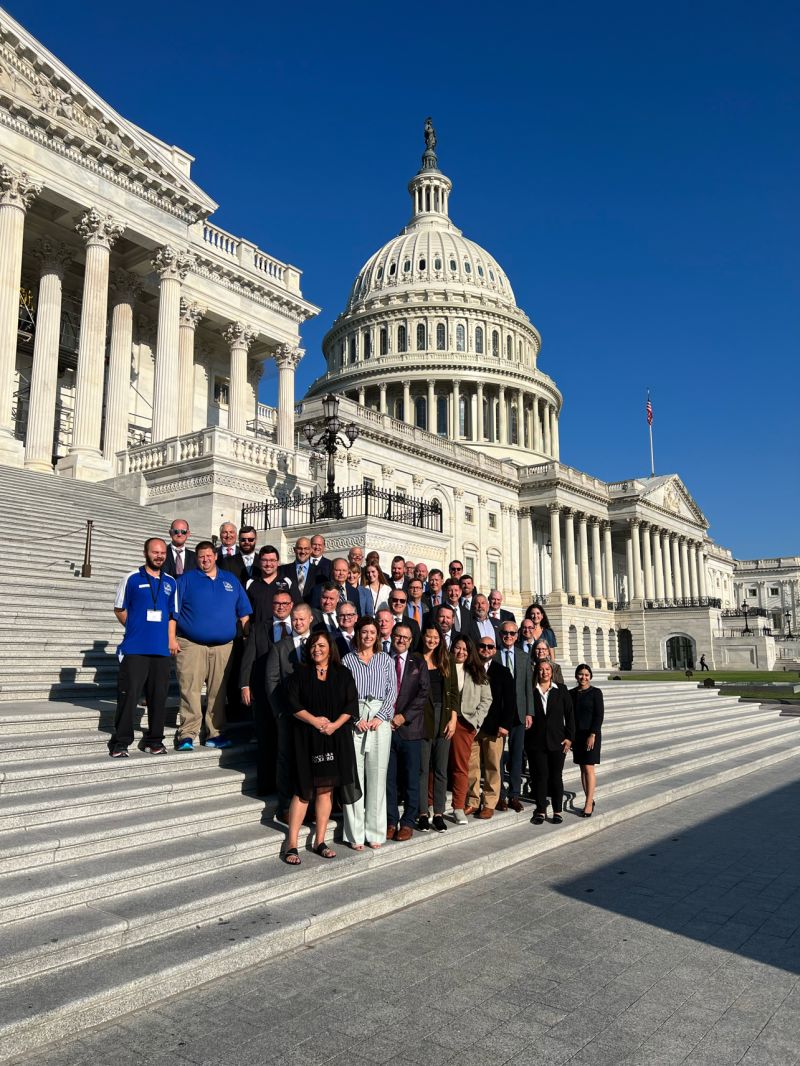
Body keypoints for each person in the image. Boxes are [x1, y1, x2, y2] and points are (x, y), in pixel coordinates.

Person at [281, 631, 361, 864]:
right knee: (303, 791)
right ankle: (292, 843)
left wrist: (335, 725)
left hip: (334, 737)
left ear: (330, 649)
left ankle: (320, 841)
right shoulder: (300, 674)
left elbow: (351, 703)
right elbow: (293, 704)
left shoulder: (343, 673)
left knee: (326, 790)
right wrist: (316, 721)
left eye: (322, 645)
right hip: (308, 737)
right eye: (314, 645)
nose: (317, 649)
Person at [169, 541, 251, 751]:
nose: (205, 560)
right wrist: (171, 639)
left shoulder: (230, 580)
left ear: (215, 556)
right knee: (190, 689)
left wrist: (247, 638)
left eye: (208, 556)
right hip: (191, 644)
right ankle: (187, 734)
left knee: (218, 691)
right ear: (197, 559)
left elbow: (244, 613)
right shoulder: (186, 580)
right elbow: (173, 613)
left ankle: (215, 732)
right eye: (201, 557)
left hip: (223, 647)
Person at [109, 537, 175, 757]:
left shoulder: (170, 582)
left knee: (158, 697)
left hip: (161, 651)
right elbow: (119, 609)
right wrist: (135, 625)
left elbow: (172, 616)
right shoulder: (131, 578)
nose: (159, 556)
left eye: (163, 553)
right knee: (129, 696)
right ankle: (121, 742)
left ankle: (154, 740)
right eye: (155, 552)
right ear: (146, 553)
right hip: (135, 648)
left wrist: (171, 640)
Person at [342, 616, 397, 849]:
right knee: (354, 778)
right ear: (358, 634)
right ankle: (354, 834)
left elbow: (392, 691)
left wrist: (379, 717)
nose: (368, 636)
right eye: (364, 632)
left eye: (372, 632)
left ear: (378, 636)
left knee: (377, 776)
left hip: (379, 719)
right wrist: (355, 718)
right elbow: (343, 692)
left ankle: (375, 832)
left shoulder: (385, 659)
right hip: (355, 718)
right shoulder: (347, 660)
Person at [240, 589, 294, 795]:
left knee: (287, 742)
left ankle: (285, 787)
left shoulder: (297, 627)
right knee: (266, 739)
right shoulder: (259, 628)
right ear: (272, 606)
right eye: (277, 603)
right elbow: (249, 658)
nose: (281, 607)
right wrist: (245, 684)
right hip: (263, 694)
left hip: (290, 695)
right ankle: (266, 785)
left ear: (291, 605)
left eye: (285, 603)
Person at [266, 602, 316, 820]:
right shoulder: (280, 647)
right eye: (295, 619)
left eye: (302, 619)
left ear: (311, 619)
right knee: (287, 759)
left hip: (315, 716)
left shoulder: (320, 644)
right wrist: (279, 712)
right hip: (288, 715)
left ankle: (312, 806)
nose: (298, 623)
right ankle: (285, 806)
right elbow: (271, 682)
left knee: (313, 760)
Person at [386, 622, 430, 840]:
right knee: (389, 779)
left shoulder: (418, 661)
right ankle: (391, 820)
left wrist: (404, 717)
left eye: (406, 637)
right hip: (386, 729)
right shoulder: (384, 659)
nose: (401, 640)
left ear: (411, 641)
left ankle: (408, 822)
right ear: (392, 637)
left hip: (410, 730)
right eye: (398, 636)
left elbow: (423, 693)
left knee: (411, 779)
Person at [417, 624, 458, 832]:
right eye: (429, 636)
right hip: (422, 717)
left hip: (444, 717)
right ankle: (423, 813)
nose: (432, 640)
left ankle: (439, 813)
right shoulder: (415, 658)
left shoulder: (447, 658)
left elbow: (452, 690)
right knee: (423, 769)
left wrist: (453, 719)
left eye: (436, 637)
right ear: (423, 637)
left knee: (441, 769)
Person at [469, 634, 516, 818]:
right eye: (482, 646)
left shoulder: (502, 671)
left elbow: (510, 701)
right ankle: (473, 800)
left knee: (492, 767)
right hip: (473, 726)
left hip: (494, 727)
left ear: (494, 650)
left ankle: (489, 803)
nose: (486, 650)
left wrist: (505, 724)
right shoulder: (470, 668)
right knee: (471, 766)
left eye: (490, 647)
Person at [448, 636, 492, 824]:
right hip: (444, 721)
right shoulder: (445, 667)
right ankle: (432, 805)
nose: (461, 652)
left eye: (465, 649)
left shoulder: (476, 671)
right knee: (437, 766)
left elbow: (486, 699)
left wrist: (476, 722)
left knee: (460, 767)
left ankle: (458, 806)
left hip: (465, 724)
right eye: (458, 648)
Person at [526, 660, 575, 825]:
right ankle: (540, 810)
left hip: (557, 741)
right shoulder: (531, 690)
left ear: (552, 672)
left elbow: (570, 715)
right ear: (537, 672)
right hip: (536, 742)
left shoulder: (561, 690)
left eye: (547, 669)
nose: (544, 672)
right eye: (541, 669)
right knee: (540, 777)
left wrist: (569, 737)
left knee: (556, 777)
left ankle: (557, 810)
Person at [495, 622, 533, 812]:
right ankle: (500, 794)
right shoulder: (493, 655)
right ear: (500, 634)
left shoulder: (524, 657)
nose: (508, 636)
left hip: (519, 712)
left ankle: (514, 795)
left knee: (517, 755)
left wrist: (529, 712)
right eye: (505, 633)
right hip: (500, 714)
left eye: (512, 633)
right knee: (498, 757)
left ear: (517, 636)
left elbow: (528, 686)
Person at [570, 663, 604, 817]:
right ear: (576, 675)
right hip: (577, 735)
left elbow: (599, 716)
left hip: (591, 735)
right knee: (582, 768)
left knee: (589, 767)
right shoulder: (571, 693)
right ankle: (589, 798)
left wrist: (593, 734)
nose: (583, 677)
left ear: (590, 676)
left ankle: (588, 803)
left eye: (586, 674)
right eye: (580, 674)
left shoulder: (596, 693)